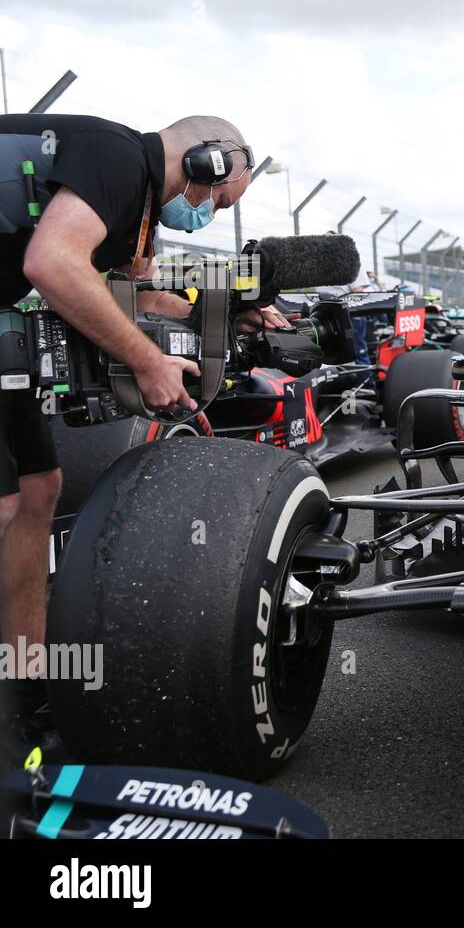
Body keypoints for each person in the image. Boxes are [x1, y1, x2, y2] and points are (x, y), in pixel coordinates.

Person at [0, 113, 275, 753]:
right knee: (8, 502)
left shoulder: (139, 212)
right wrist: (148, 362)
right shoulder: (117, 156)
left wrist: (223, 315)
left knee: (39, 490)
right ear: (207, 160)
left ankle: (25, 676)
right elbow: (51, 261)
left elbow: (137, 299)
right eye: (216, 196)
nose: (207, 209)